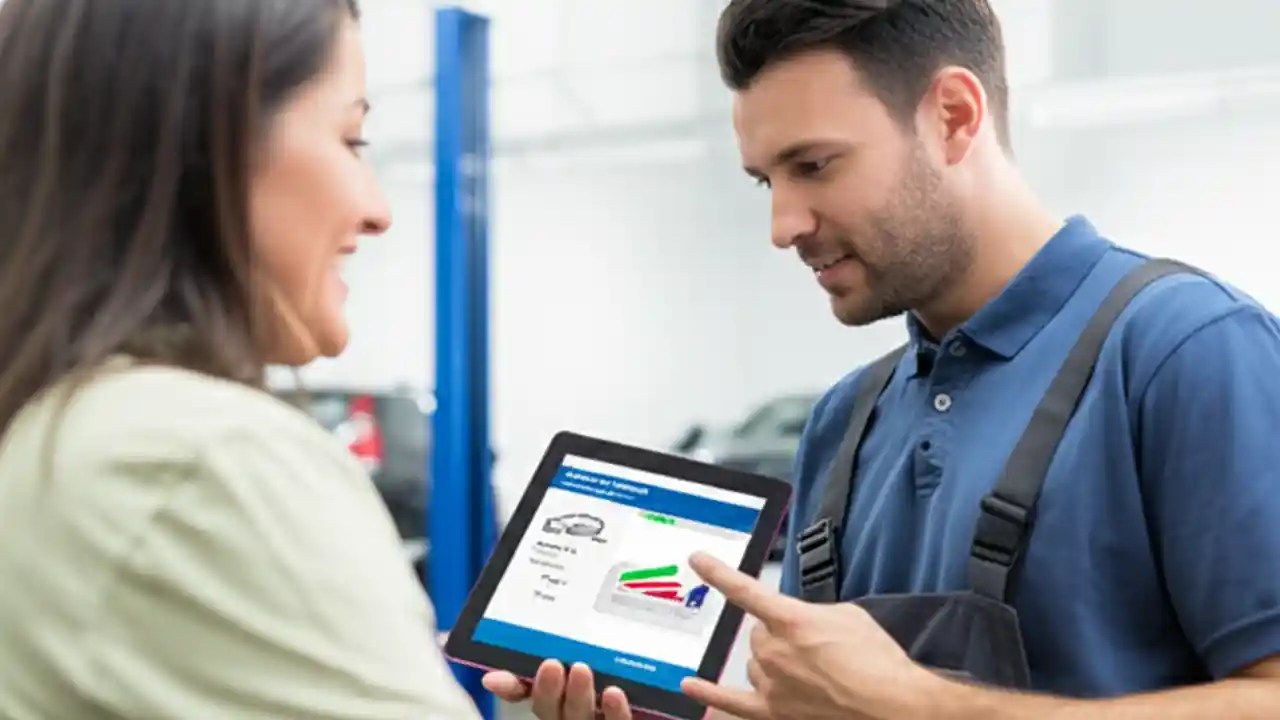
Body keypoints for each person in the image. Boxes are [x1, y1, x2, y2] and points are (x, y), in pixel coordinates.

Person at [488, 0, 1280, 718]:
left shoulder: (1184, 351)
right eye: (766, 179)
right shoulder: (846, 420)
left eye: (815, 165)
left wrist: (924, 709)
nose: (782, 223)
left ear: (953, 117)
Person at [0, 1, 478, 718]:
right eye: (352, 139)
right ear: (203, 142)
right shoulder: (199, 455)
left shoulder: (58, 425)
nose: (378, 208)